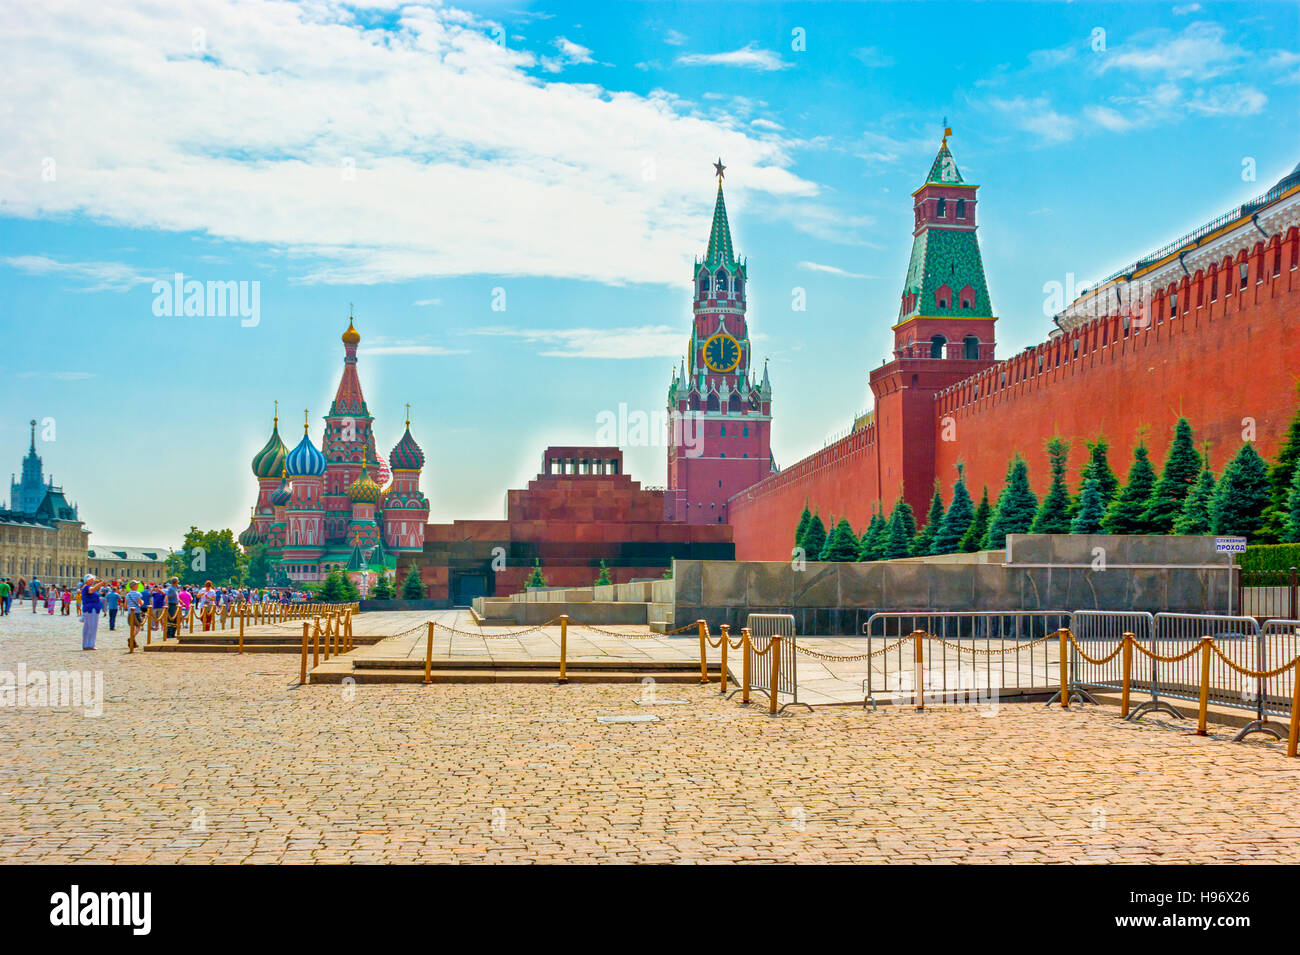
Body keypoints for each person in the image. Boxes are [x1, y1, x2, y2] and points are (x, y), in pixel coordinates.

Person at [79, 575, 102, 650]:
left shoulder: (87, 587)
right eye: (90, 580)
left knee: (88, 627)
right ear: (87, 580)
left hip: (91, 609)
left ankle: (86, 644)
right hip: (91, 609)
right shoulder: (86, 587)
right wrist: (100, 584)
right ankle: (90, 644)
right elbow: (91, 590)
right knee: (92, 627)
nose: (92, 581)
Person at [164, 576, 180, 640]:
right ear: (175, 582)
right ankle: (169, 634)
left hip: (175, 604)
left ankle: (173, 633)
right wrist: (166, 604)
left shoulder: (175, 588)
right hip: (171, 605)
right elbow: (167, 596)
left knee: (175, 619)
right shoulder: (171, 589)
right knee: (171, 619)